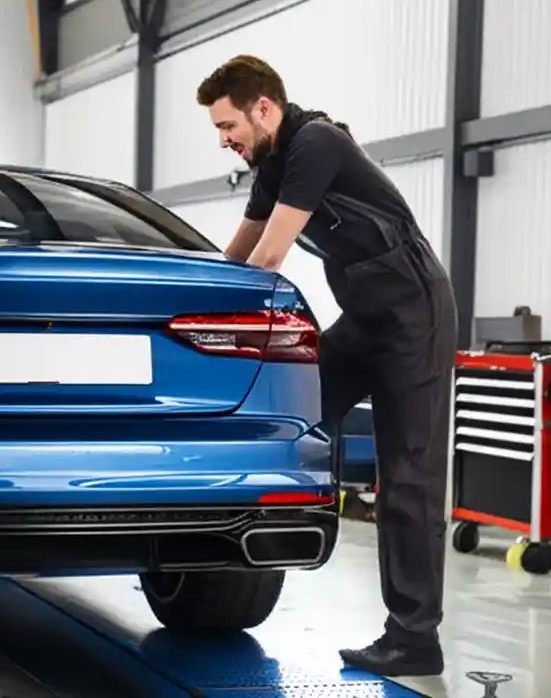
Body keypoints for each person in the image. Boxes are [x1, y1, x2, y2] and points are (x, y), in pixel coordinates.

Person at [195, 55, 456, 677]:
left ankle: (415, 637)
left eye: (227, 125)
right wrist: (187, 294)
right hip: (367, 318)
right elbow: (236, 256)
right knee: (289, 411)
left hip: (413, 313)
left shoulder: (316, 143)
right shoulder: (272, 162)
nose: (224, 140)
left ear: (265, 108)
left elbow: (269, 256)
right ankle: (226, 539)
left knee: (409, 478)